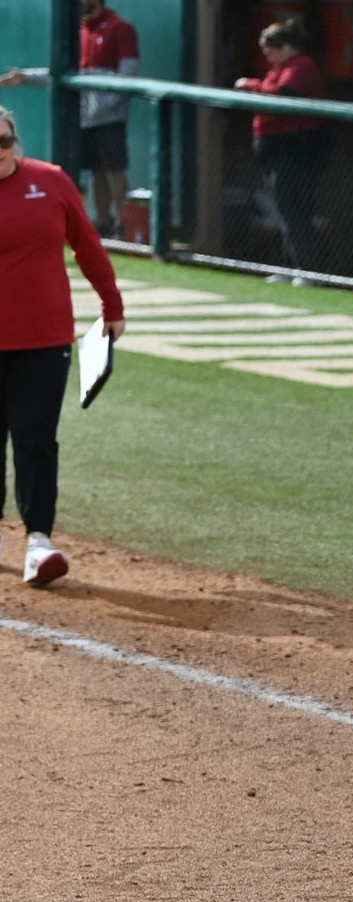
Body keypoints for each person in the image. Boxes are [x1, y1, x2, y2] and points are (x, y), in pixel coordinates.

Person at [0, 103, 123, 585]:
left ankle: (38, 541)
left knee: (35, 440)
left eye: (4, 140)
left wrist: (112, 307)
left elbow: (87, 244)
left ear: (15, 142)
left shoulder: (50, 181)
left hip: (44, 340)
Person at [1, 0, 141, 239]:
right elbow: (62, 74)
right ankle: (104, 225)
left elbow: (128, 78)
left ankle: (123, 227)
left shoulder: (120, 28)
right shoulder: (80, 30)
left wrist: (102, 110)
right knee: (96, 173)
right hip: (83, 120)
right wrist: (25, 77)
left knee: (113, 171)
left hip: (108, 120)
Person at [234, 19, 330, 280]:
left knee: (295, 207)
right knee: (285, 208)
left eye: (271, 50)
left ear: (287, 46)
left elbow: (282, 94)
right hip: (276, 148)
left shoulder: (301, 65)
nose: (267, 56)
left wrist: (250, 85)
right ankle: (290, 269)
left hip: (296, 149)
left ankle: (307, 271)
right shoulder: (280, 67)